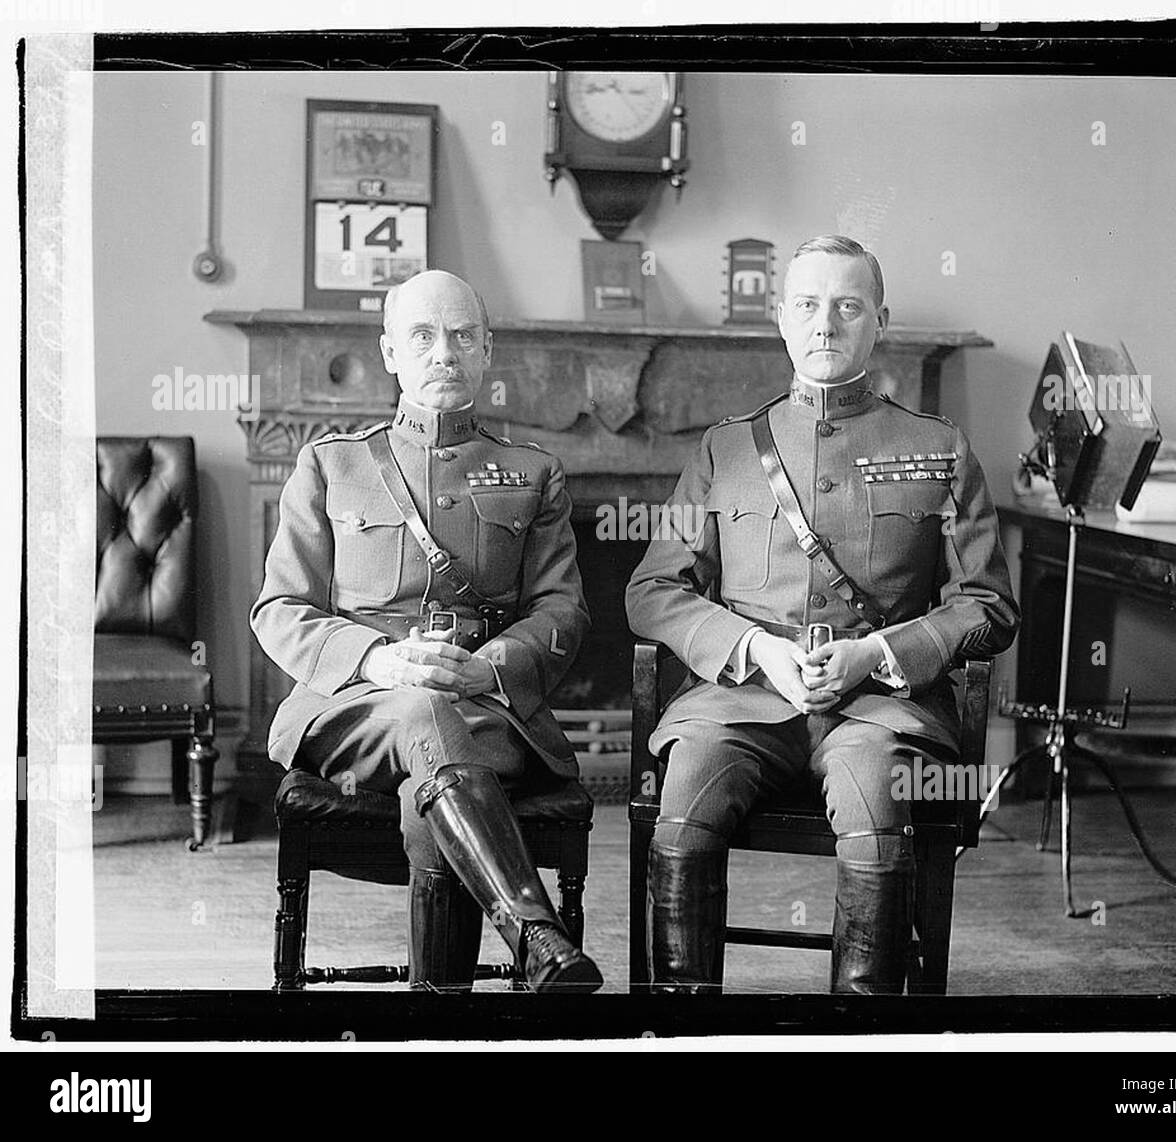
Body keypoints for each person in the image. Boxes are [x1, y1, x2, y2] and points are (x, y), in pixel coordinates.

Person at [625, 235, 1020, 994]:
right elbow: (653, 590)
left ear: (880, 321)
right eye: (807, 305)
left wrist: (877, 654)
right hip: (738, 702)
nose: (826, 323)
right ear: (781, 318)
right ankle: (681, 1028)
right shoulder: (724, 450)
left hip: (878, 711)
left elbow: (989, 605)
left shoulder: (939, 449)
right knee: (685, 803)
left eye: (848, 306)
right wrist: (754, 649)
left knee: (876, 806)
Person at [252, 269, 603, 993]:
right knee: (420, 709)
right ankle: (533, 932)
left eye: (462, 337)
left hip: (486, 707)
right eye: (423, 336)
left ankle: (436, 1014)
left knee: (436, 759)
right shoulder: (331, 464)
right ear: (389, 352)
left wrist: (491, 667)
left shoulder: (532, 472)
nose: (444, 353)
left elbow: (564, 612)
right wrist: (378, 661)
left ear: (486, 350)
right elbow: (279, 609)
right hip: (353, 709)